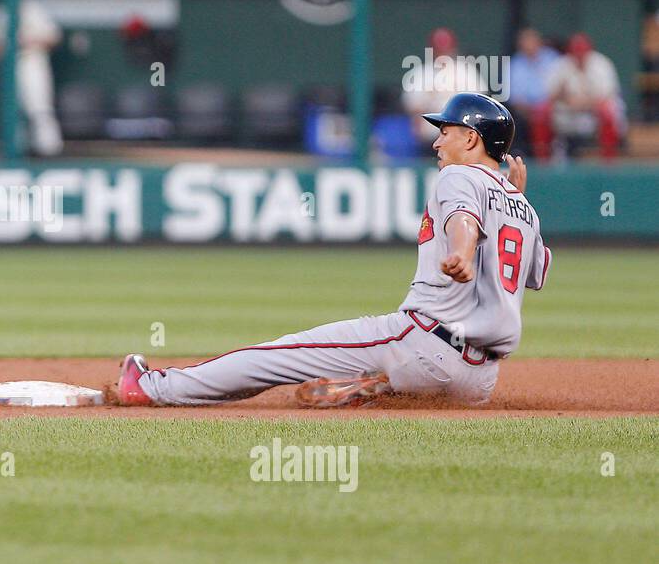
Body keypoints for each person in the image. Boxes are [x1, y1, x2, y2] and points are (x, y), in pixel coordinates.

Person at [114, 93, 548, 408]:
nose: (437, 142)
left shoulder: (458, 176)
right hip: (477, 385)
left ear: (471, 140)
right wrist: (515, 198)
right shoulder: (524, 208)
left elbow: (464, 221)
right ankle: (372, 385)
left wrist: (463, 251)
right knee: (387, 374)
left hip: (424, 344)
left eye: (447, 132)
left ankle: (152, 388)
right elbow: (535, 272)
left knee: (279, 356)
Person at [0, 0, 64, 157]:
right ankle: (17, 149)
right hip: (8, 63)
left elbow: (54, 37)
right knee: (12, 109)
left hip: (32, 60)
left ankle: (49, 149)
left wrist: (25, 41)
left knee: (39, 106)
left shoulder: (32, 8)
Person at [542, 33, 625, 160]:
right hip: (566, 113)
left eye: (582, 50)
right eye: (576, 50)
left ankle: (608, 160)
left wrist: (582, 103)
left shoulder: (601, 64)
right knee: (542, 111)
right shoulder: (561, 65)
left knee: (608, 110)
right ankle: (544, 160)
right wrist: (564, 97)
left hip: (594, 113)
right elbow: (549, 94)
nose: (579, 54)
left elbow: (606, 96)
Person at [401, 27, 487, 149]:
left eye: (445, 49)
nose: (442, 53)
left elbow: (478, 103)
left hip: (460, 137)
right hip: (429, 139)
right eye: (438, 49)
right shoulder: (421, 73)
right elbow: (412, 105)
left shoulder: (466, 72)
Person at [506, 26, 561, 159]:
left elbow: (559, 89)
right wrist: (530, 110)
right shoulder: (515, 63)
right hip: (524, 111)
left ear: (539, 42)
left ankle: (554, 154)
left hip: (552, 107)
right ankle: (529, 156)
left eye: (531, 41)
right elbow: (513, 96)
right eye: (525, 42)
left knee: (545, 113)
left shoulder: (552, 58)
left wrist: (545, 106)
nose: (529, 45)